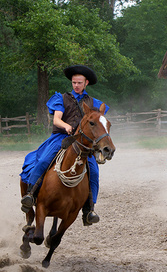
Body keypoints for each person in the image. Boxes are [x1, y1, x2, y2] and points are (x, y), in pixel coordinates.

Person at [20, 65, 109, 225]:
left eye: (79, 82)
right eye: (74, 82)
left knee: (94, 172)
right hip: (61, 137)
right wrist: (66, 126)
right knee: (44, 160)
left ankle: (89, 209)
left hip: (82, 144)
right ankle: (30, 194)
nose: (76, 85)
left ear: (86, 83)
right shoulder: (61, 98)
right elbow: (56, 119)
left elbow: (100, 122)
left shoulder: (93, 103)